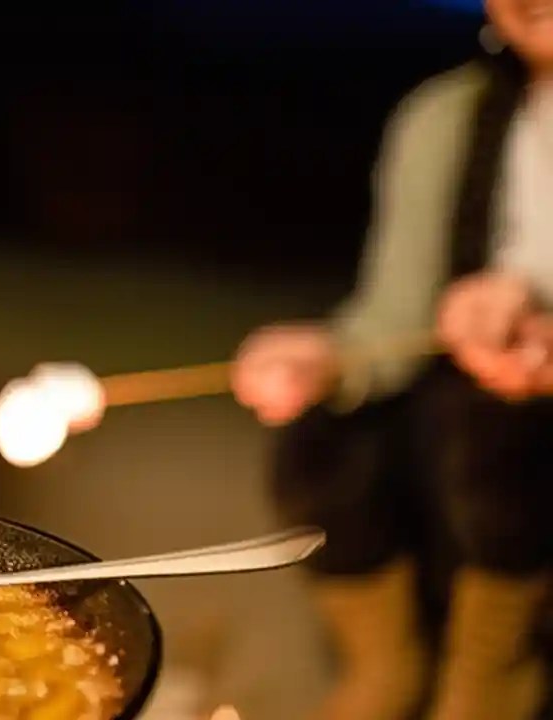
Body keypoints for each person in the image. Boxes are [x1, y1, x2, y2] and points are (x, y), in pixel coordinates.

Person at [232, 2, 553, 718]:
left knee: (494, 442)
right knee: (323, 439)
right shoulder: (447, 116)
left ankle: (491, 681)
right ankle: (386, 669)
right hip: (456, 398)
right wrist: (328, 357)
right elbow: (396, 317)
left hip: (506, 433)